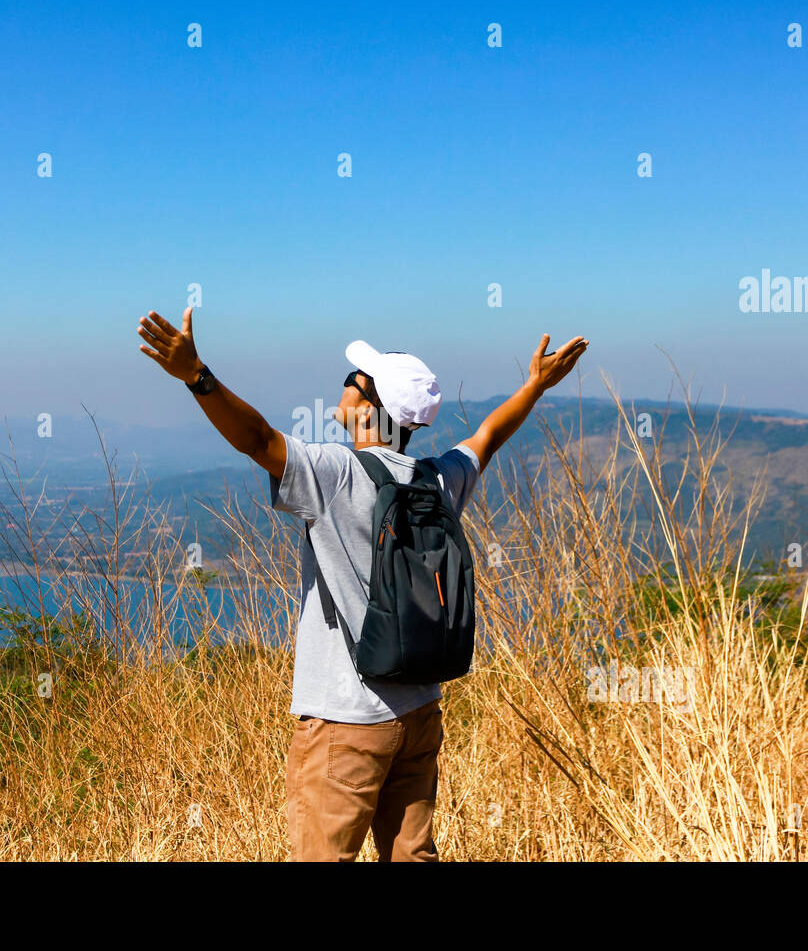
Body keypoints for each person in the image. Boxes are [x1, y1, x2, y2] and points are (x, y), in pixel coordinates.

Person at [136, 307, 587, 860]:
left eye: (355, 381)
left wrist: (197, 377)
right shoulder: (438, 482)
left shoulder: (336, 473)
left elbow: (255, 438)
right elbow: (488, 436)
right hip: (419, 711)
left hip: (346, 722)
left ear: (372, 407)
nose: (345, 386)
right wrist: (535, 387)